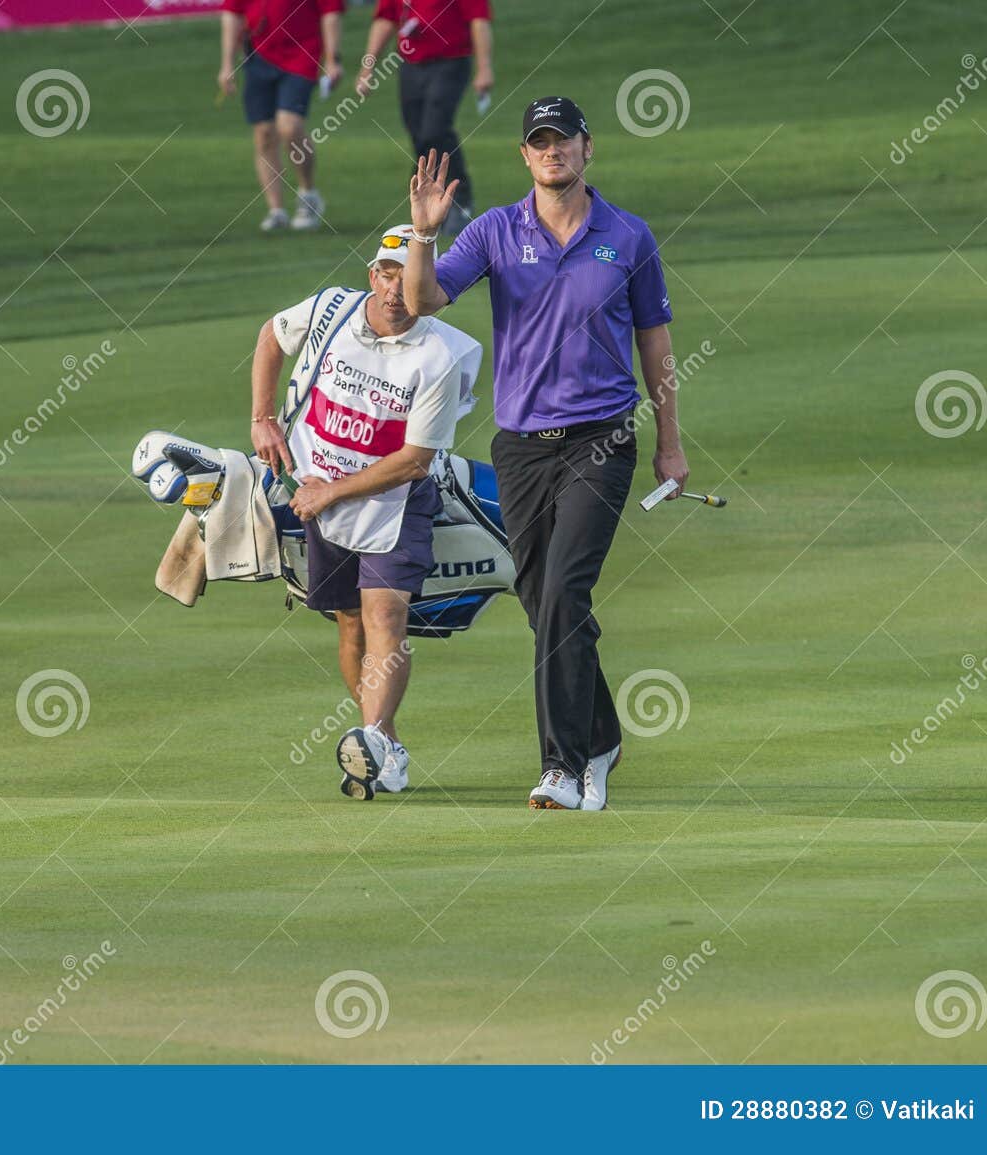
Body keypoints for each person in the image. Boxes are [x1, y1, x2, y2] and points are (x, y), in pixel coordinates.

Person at [401, 97, 691, 812]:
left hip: (603, 438)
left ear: (588, 149)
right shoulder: (498, 231)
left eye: (564, 139)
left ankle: (563, 766)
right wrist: (423, 234)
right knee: (544, 603)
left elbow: (656, 343)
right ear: (524, 155)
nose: (552, 151)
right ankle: (603, 735)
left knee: (564, 592)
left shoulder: (628, 236)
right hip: (522, 448)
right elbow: (423, 299)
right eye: (540, 142)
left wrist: (670, 444)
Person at [250, 226, 481, 800]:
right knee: (350, 623)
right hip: (316, 496)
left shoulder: (441, 356)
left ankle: (373, 736)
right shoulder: (332, 308)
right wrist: (262, 416)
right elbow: (270, 337)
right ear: (370, 274)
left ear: (425, 284)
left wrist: (332, 492)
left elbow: (414, 462)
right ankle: (387, 748)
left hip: (392, 506)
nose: (394, 289)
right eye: (385, 273)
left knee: (384, 621)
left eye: (407, 277)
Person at [358, 0, 493, 235]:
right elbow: (385, 20)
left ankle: (460, 199)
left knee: (436, 129)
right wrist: (368, 67)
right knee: (419, 134)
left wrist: (484, 67)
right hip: (411, 64)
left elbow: (478, 21)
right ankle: (429, 200)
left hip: (450, 60)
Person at [219, 0, 344, 232]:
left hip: (301, 53)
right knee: (264, 133)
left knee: (290, 125)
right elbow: (232, 12)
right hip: (258, 55)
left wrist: (332, 58)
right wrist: (227, 63)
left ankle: (308, 194)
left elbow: (330, 12)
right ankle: (276, 210)